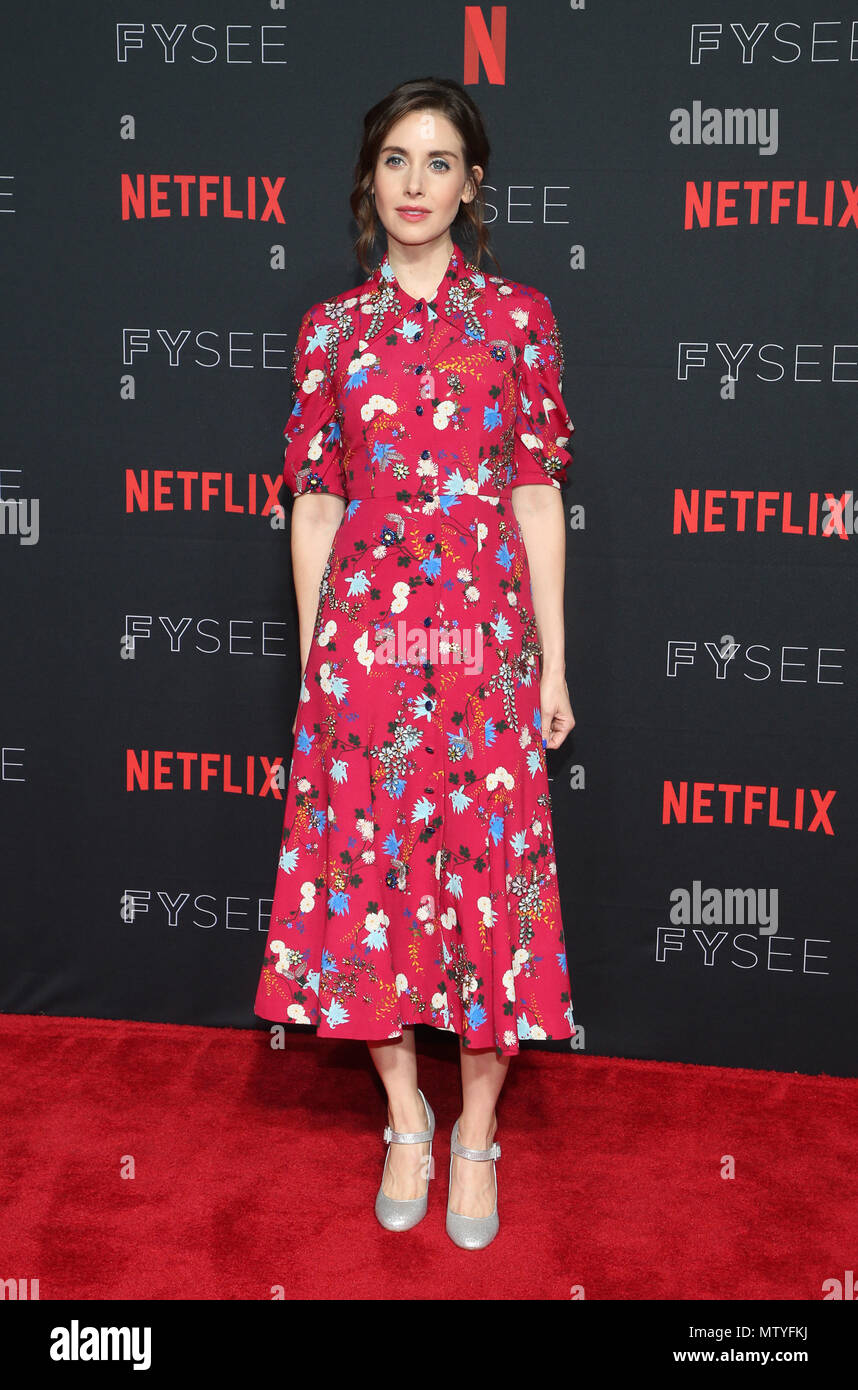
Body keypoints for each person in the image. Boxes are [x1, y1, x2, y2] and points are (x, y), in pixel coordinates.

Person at [254, 76, 577, 1249]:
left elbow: (537, 493)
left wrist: (551, 666)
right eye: (397, 160)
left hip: (485, 648)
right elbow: (315, 508)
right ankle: (405, 1113)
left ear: (473, 184)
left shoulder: (520, 320)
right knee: (371, 896)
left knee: (493, 893)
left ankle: (477, 1132)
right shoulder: (332, 332)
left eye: (440, 162)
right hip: (368, 655)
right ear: (370, 177)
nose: (416, 185)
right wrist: (310, 672)